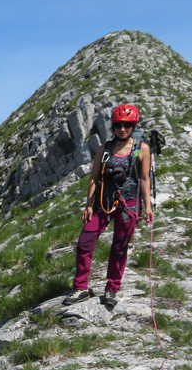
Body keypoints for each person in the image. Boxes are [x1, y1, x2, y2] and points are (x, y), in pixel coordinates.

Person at [63, 104, 154, 307]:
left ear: (133, 126)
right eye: (119, 125)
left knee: (119, 247)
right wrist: (88, 205)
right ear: (113, 126)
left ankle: (112, 289)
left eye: (127, 125)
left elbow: (145, 179)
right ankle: (80, 288)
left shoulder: (142, 149)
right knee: (85, 242)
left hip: (129, 204)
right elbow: (94, 178)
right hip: (102, 203)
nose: (122, 129)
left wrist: (147, 207)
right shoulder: (105, 149)